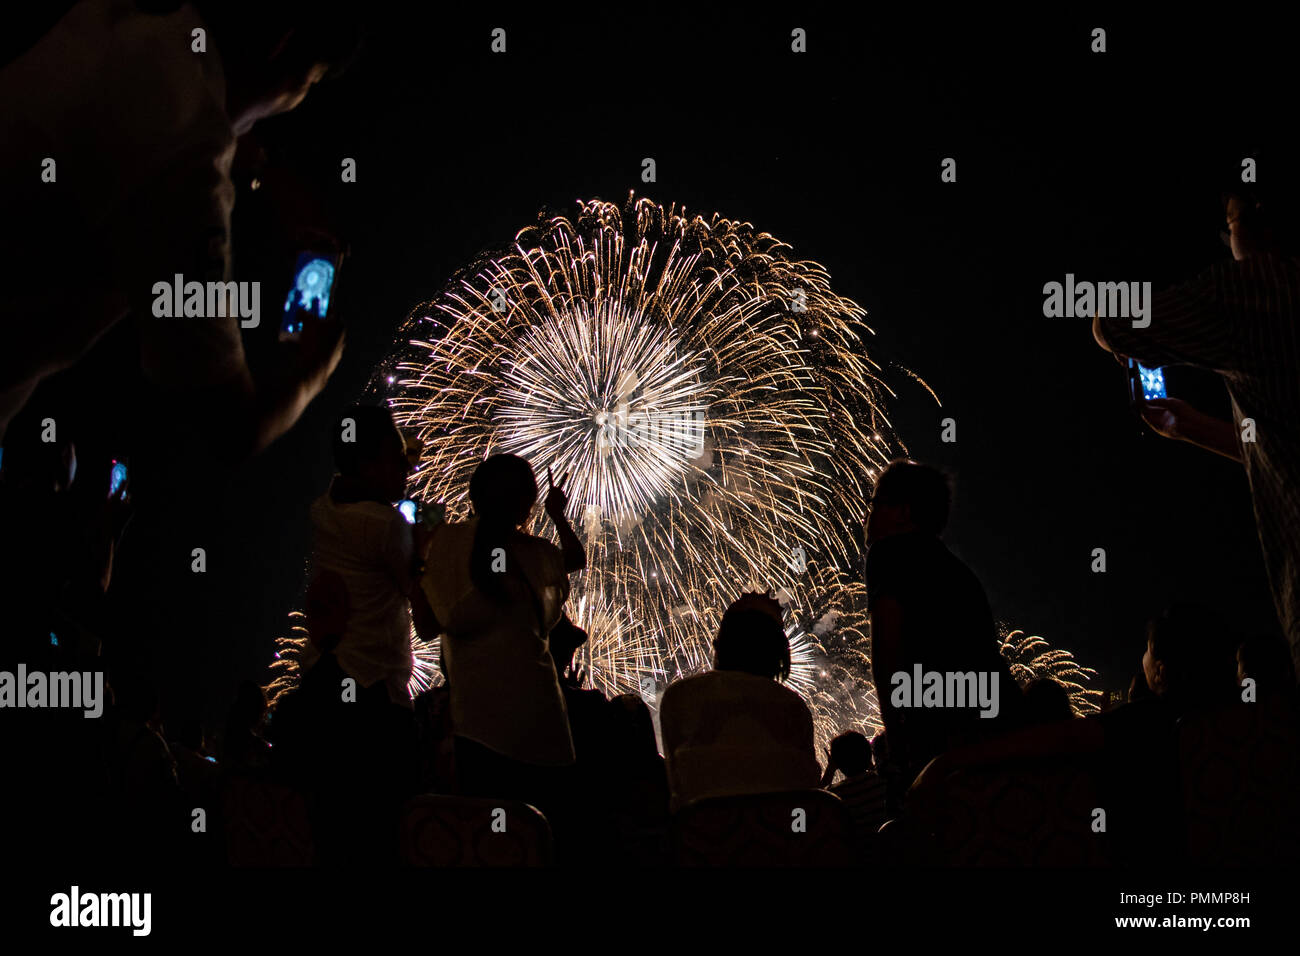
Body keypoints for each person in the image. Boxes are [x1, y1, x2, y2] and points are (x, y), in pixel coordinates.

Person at [0, 0, 357, 455]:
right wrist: (315, 369)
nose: (294, 102)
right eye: (306, 83)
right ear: (283, 48)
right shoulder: (187, 170)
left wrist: (267, 176)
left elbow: (188, 112)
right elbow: (234, 427)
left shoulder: (138, 23)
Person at [1093, 167, 1300, 677]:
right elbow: (1280, 449)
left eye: (1230, 224)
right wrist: (1191, 427)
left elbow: (1115, 325)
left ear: (1253, 222)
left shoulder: (1261, 283)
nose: (1228, 238)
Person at [912, 605, 1239, 864]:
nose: (1142, 661)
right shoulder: (1238, 720)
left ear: (1161, 671)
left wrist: (945, 762)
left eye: (1147, 651)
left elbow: (1060, 738)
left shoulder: (1145, 721)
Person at [417, 454, 585, 808]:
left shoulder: (447, 543)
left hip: (480, 731)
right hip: (548, 729)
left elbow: (427, 625)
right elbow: (575, 558)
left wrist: (416, 558)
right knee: (543, 840)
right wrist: (558, 514)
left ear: (474, 496)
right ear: (527, 504)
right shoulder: (537, 553)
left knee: (495, 843)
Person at [864, 460, 1019, 791]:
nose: (868, 516)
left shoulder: (888, 553)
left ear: (903, 512)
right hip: (994, 723)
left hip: (941, 733)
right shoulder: (959, 572)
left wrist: (899, 751)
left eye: (875, 504)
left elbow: (888, 662)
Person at [659, 593, 820, 810]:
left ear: (720, 645)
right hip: (787, 838)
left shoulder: (680, 697)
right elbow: (807, 793)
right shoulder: (794, 707)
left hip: (703, 839)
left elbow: (676, 785)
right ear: (778, 654)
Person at [820, 730, 889, 851]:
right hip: (889, 851)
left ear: (837, 762)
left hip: (857, 856)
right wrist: (870, 765)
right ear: (868, 754)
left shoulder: (834, 795)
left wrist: (830, 769)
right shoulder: (885, 782)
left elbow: (815, 798)